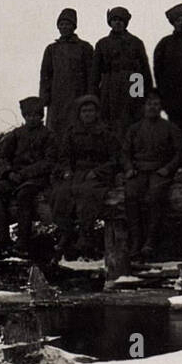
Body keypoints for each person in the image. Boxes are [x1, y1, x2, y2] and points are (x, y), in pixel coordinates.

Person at [50, 94, 120, 259]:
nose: (87, 114)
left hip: (98, 174)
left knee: (88, 193)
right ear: (79, 114)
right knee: (61, 193)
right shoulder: (73, 132)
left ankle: (85, 235)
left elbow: (116, 159)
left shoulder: (106, 132)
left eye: (91, 110)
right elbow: (64, 156)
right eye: (84, 111)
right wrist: (67, 169)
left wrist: (98, 172)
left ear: (97, 113)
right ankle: (65, 233)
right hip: (77, 173)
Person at [122, 90, 182, 260]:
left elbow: (179, 153)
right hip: (139, 170)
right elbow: (125, 152)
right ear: (143, 107)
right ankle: (136, 240)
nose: (152, 107)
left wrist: (168, 169)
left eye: (156, 104)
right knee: (131, 194)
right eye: (149, 104)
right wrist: (128, 168)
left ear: (161, 107)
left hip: (160, 170)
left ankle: (150, 240)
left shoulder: (170, 128)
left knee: (155, 195)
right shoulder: (134, 128)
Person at [0, 96, 53, 256]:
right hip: (14, 177)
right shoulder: (16, 135)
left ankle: (23, 240)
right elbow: (2, 156)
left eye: (35, 115)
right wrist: (9, 172)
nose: (32, 118)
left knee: (25, 196)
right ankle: (2, 238)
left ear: (41, 116)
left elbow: (49, 161)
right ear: (24, 116)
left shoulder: (48, 135)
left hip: (36, 178)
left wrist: (25, 174)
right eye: (28, 115)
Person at [91, 7, 153, 138]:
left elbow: (144, 69)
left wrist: (146, 92)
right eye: (114, 20)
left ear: (125, 23)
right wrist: (94, 93)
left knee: (133, 115)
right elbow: (95, 72)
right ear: (110, 22)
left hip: (133, 81)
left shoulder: (136, 42)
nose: (117, 23)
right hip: (110, 83)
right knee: (109, 119)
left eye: (120, 20)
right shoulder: (102, 43)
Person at [39, 8, 94, 136]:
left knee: (77, 129)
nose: (64, 27)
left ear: (74, 26)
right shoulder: (51, 49)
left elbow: (91, 74)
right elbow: (45, 75)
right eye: (61, 24)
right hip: (56, 97)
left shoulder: (85, 47)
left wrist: (90, 97)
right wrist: (44, 98)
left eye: (68, 24)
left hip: (78, 96)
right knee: (55, 132)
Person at [153, 3, 182, 129]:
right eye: (178, 20)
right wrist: (163, 93)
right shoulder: (164, 44)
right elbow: (158, 71)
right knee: (175, 129)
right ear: (173, 23)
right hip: (172, 96)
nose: (181, 23)